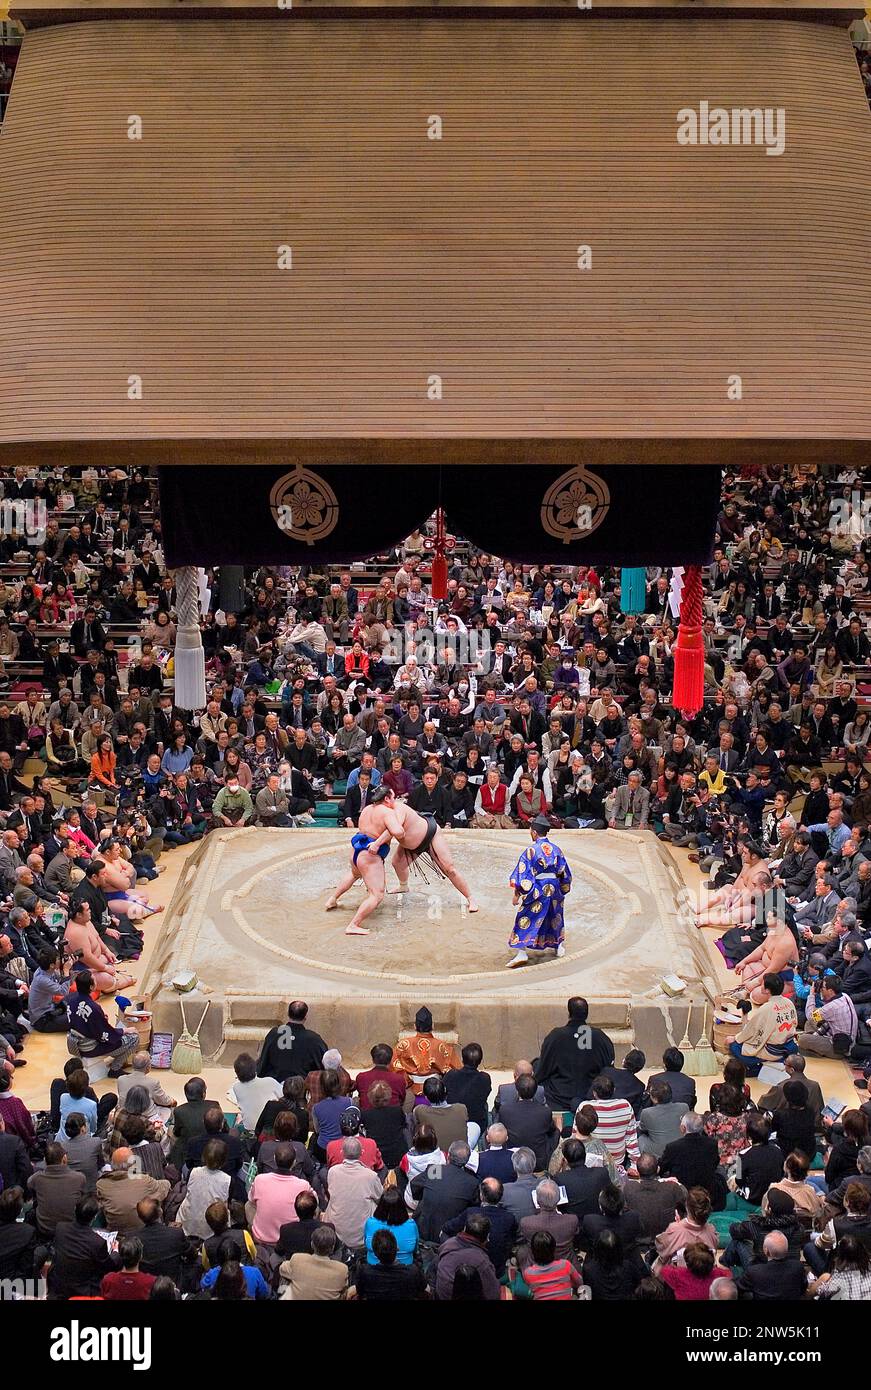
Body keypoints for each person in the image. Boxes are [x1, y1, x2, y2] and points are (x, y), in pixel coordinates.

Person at [506, 815, 572, 967]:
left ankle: (521, 952)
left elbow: (523, 874)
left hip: (539, 887)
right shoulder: (556, 850)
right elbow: (565, 873)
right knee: (554, 915)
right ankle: (558, 946)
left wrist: (517, 894)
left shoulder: (531, 851)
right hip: (554, 886)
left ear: (534, 832)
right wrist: (562, 889)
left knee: (525, 915)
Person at [534, 996, 616, 1110]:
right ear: (586, 1015)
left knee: (537, 1066)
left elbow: (543, 1070)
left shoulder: (556, 1036)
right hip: (591, 1093)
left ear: (569, 1014)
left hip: (560, 1096)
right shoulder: (600, 1037)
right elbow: (608, 1066)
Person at [324, 1136, 383, 1251]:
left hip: (336, 1232)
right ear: (362, 1153)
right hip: (361, 1235)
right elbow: (380, 1197)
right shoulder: (370, 1176)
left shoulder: (333, 1172)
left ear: (342, 1153)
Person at [434, 1210, 502, 1301]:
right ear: (487, 1238)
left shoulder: (448, 1244)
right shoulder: (482, 1261)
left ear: (464, 1229)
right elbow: (494, 1294)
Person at [256, 1000, 328, 1083]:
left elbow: (263, 1062)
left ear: (288, 1015)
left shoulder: (274, 1033)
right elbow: (324, 1064)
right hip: (300, 1086)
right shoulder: (313, 1039)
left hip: (275, 1084)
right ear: (305, 1017)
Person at [499, 1073, 559, 1170]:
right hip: (537, 1162)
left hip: (513, 1160)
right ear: (535, 1092)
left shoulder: (505, 1110)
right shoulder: (545, 1111)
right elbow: (552, 1130)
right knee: (556, 1132)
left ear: (517, 1091)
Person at [279, 1224, 348, 1300]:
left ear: (312, 1244)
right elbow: (344, 1288)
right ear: (332, 1248)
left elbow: (282, 1269)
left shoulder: (298, 1259)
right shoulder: (342, 1270)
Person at [355, 1228, 428, 1301]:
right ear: (397, 1248)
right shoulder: (412, 1272)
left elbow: (360, 1292)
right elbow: (423, 1288)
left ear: (375, 1253)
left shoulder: (364, 1273)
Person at [736, 1229, 808, 1300]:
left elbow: (737, 1288)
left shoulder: (754, 1271)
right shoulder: (798, 1267)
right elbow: (803, 1287)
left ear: (766, 1251)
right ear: (787, 1249)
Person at [363, 1186, 419, 1266]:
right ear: (402, 1207)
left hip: (373, 1267)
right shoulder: (411, 1225)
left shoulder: (370, 1223)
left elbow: (365, 1244)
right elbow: (416, 1249)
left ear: (380, 1206)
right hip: (405, 1269)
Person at [524, 1228, 584, 1300]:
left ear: (532, 1251)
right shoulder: (565, 1265)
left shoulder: (528, 1273)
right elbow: (580, 1283)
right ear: (554, 1248)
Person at [100, 1235, 156, 1301]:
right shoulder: (151, 1282)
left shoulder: (108, 1280)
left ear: (120, 1256)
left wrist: (115, 1250)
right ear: (140, 1256)